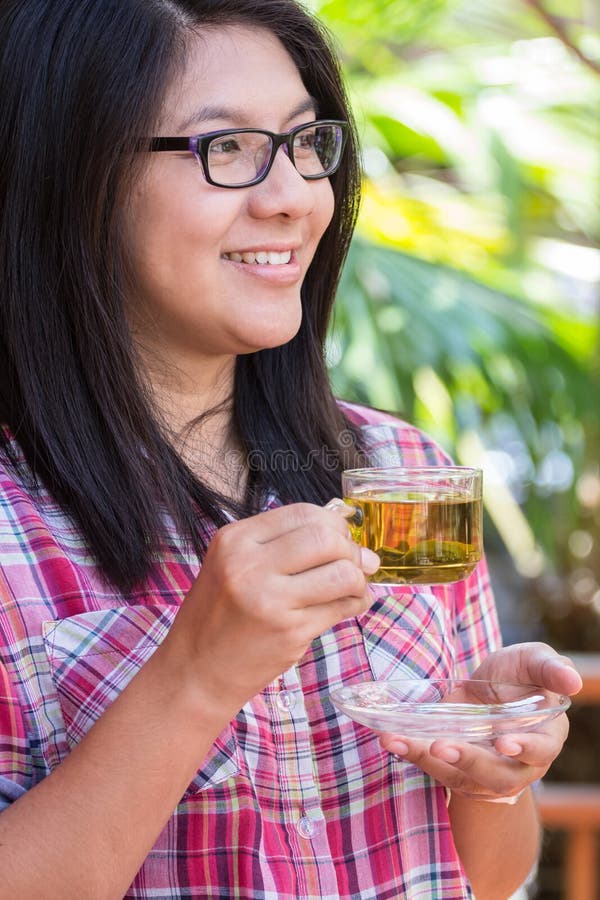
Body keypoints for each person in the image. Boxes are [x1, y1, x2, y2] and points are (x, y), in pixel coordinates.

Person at [0, 1, 581, 898]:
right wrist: (195, 676)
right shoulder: (13, 524)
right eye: (225, 149)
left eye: (307, 143)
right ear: (71, 173)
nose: (292, 196)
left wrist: (488, 763)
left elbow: (492, 878)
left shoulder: (403, 469)